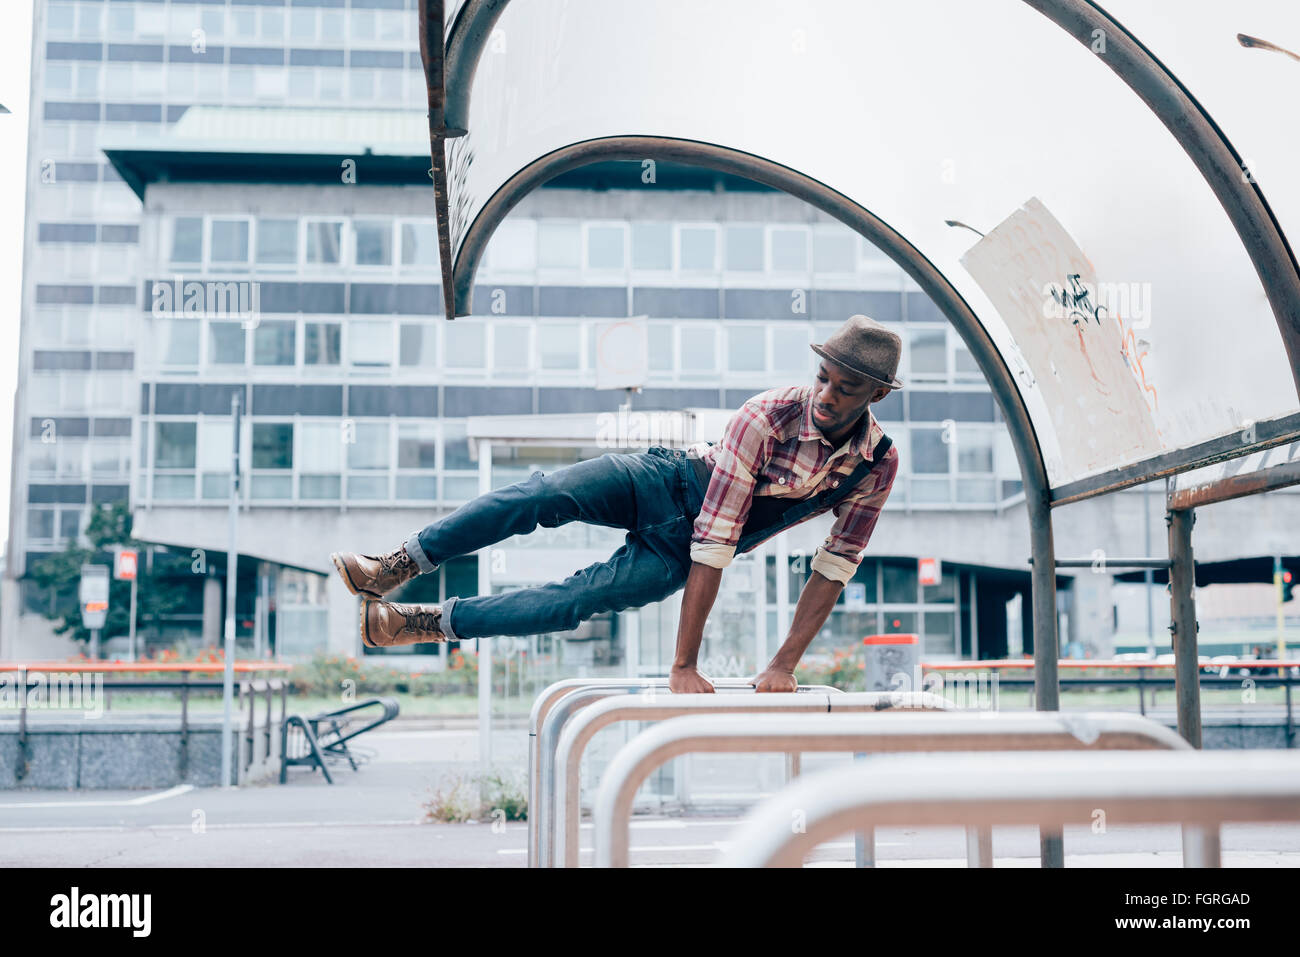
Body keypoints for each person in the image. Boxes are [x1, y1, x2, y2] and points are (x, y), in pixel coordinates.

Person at [330, 314, 903, 693]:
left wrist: (783, 664)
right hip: (663, 482)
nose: (825, 397)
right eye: (822, 378)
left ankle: (417, 623)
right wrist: (684, 666)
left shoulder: (876, 464)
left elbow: (833, 569)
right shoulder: (767, 415)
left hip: (681, 554)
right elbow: (715, 539)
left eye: (845, 389)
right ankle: (396, 564)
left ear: (876, 394)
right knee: (543, 495)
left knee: (572, 602)